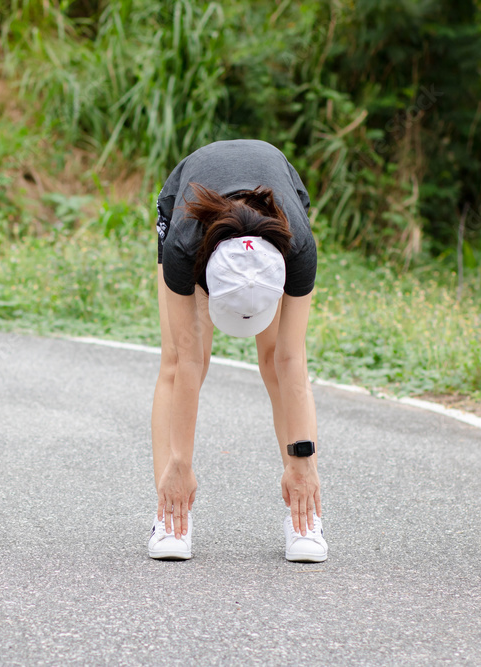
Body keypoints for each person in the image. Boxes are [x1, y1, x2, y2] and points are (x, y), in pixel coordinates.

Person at [148, 139, 326, 563]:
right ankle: (170, 513)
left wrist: (302, 460)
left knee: (276, 359)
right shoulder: (183, 246)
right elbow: (188, 361)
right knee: (178, 360)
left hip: (277, 209)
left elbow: (292, 361)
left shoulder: (297, 247)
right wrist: (181, 461)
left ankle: (305, 513)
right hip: (193, 216)